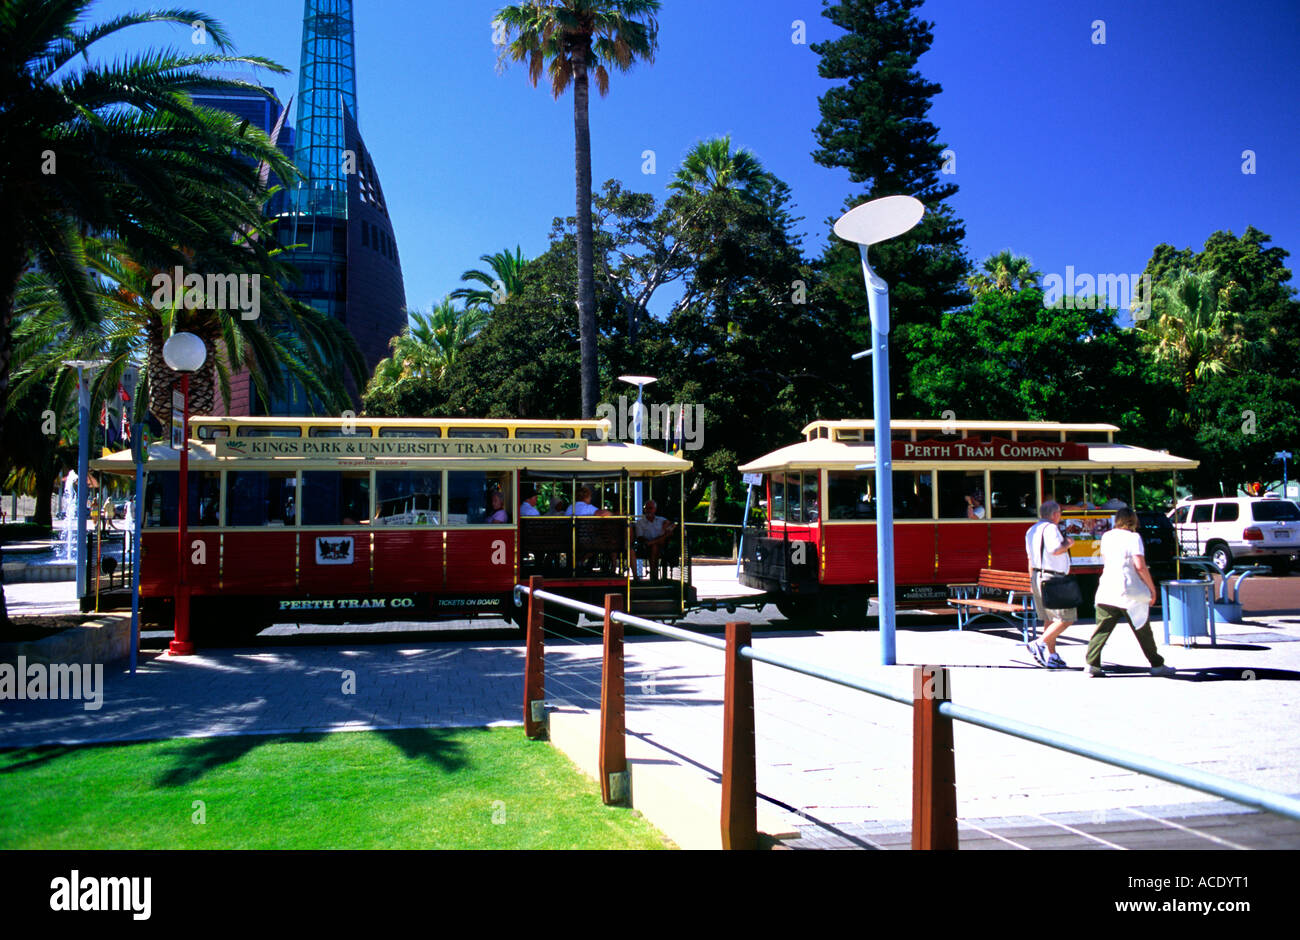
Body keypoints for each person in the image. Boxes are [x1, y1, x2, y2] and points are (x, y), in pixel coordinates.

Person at [1086, 507, 1176, 678]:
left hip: (1107, 586)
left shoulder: (1107, 536)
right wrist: (1151, 588)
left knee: (1102, 629)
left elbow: (1106, 559)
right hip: (1129, 589)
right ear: (1133, 520)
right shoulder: (1134, 537)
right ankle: (1156, 664)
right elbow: (1140, 565)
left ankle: (1092, 663)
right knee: (1142, 627)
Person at [1024, 500, 1076, 668]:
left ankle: (1052, 656)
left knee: (1049, 618)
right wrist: (1068, 543)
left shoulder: (1031, 530)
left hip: (1038, 577)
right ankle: (1039, 643)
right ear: (1054, 514)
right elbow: (1055, 549)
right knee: (1066, 618)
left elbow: (1030, 559)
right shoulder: (1051, 528)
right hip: (1054, 578)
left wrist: (1031, 580)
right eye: (1060, 513)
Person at [632, 499, 675, 580]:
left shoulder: (661, 520)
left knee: (656, 545)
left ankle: (654, 573)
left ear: (655, 509)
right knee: (654, 546)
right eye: (646, 508)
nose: (648, 510)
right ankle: (654, 574)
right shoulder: (640, 522)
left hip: (661, 545)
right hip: (645, 546)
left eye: (650, 508)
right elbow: (640, 537)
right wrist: (650, 542)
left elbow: (672, 526)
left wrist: (668, 525)